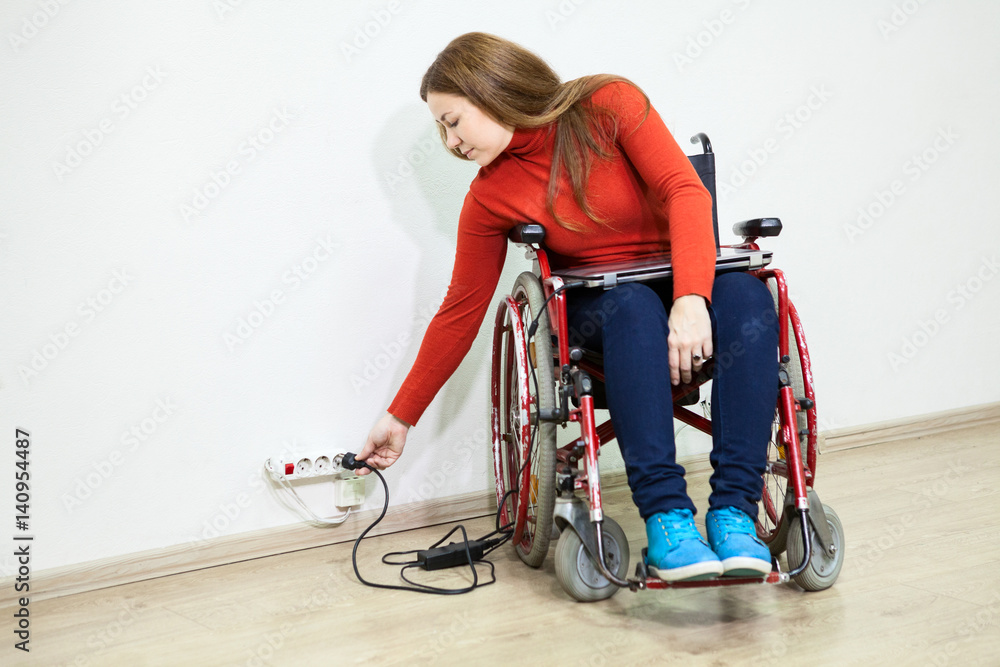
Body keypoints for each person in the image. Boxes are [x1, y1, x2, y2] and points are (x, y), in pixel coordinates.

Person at [357, 32, 779, 582]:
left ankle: (735, 514)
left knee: (748, 296)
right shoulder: (488, 196)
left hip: (681, 279)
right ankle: (668, 519)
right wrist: (400, 417)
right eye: (442, 129)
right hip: (602, 308)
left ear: (492, 90)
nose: (451, 142)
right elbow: (460, 310)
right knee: (631, 307)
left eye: (453, 121)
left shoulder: (608, 103)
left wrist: (690, 299)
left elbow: (686, 191)